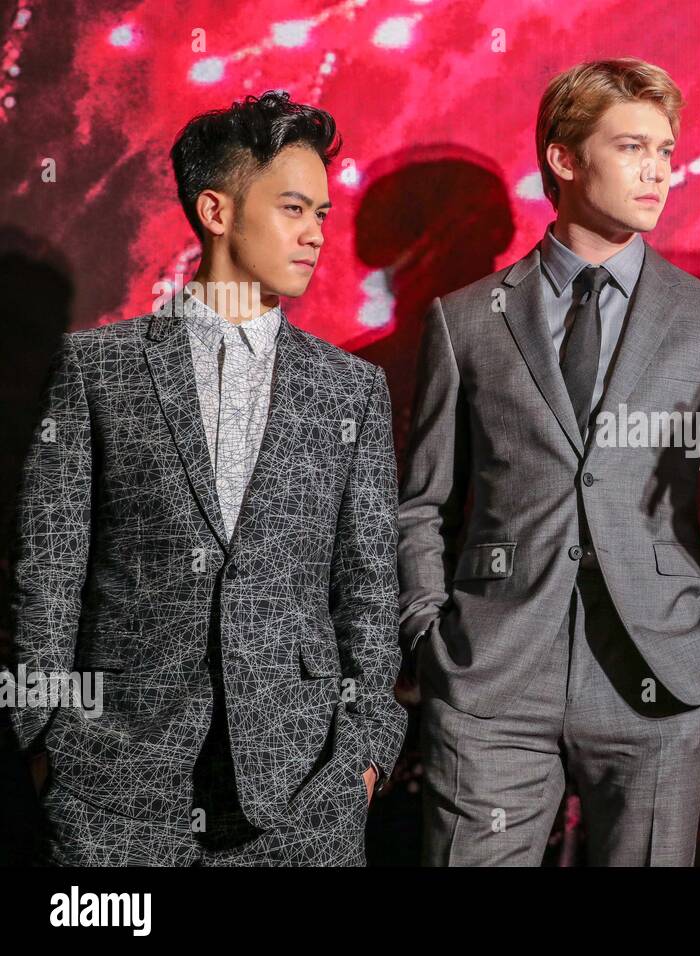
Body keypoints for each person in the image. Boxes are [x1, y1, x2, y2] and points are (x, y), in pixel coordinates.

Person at [398, 58, 700, 865]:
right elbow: (423, 505)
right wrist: (431, 637)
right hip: (491, 681)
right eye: (633, 147)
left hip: (662, 680)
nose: (659, 172)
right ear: (564, 158)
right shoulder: (465, 321)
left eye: (667, 151)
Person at [7, 90, 407, 865]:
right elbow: (49, 569)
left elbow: (368, 589)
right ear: (216, 211)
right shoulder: (98, 369)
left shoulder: (348, 389)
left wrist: (361, 759)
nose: (315, 235)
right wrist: (43, 739)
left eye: (322, 214)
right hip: (113, 788)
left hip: (303, 797)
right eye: (294, 208)